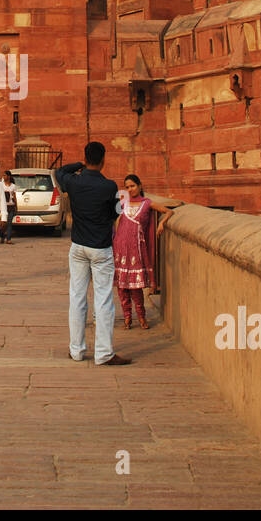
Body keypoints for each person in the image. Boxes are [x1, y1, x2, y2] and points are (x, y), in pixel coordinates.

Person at [54, 142, 131, 365]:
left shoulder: (74, 181)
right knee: (103, 300)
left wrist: (80, 164)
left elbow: (59, 172)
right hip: (101, 248)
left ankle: (76, 351)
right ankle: (104, 353)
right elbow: (116, 212)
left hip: (78, 246)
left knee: (77, 298)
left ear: (86, 159)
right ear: (103, 159)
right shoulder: (109, 187)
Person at [113, 174, 170, 329]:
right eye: (127, 187)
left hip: (136, 249)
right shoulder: (123, 203)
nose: (130, 189)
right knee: (122, 286)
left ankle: (141, 317)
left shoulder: (147, 203)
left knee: (135, 287)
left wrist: (162, 223)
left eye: (132, 186)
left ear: (140, 186)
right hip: (121, 248)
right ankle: (127, 317)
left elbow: (169, 211)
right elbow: (114, 222)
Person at [0, 169, 18, 244]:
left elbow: (14, 196)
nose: (4, 177)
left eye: (5, 175)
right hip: (3, 206)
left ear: (9, 176)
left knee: (9, 223)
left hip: (11, 206)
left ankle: (8, 239)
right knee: (3, 223)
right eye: (3, 175)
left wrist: (16, 206)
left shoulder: (13, 186)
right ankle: (2, 237)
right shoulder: (1, 185)